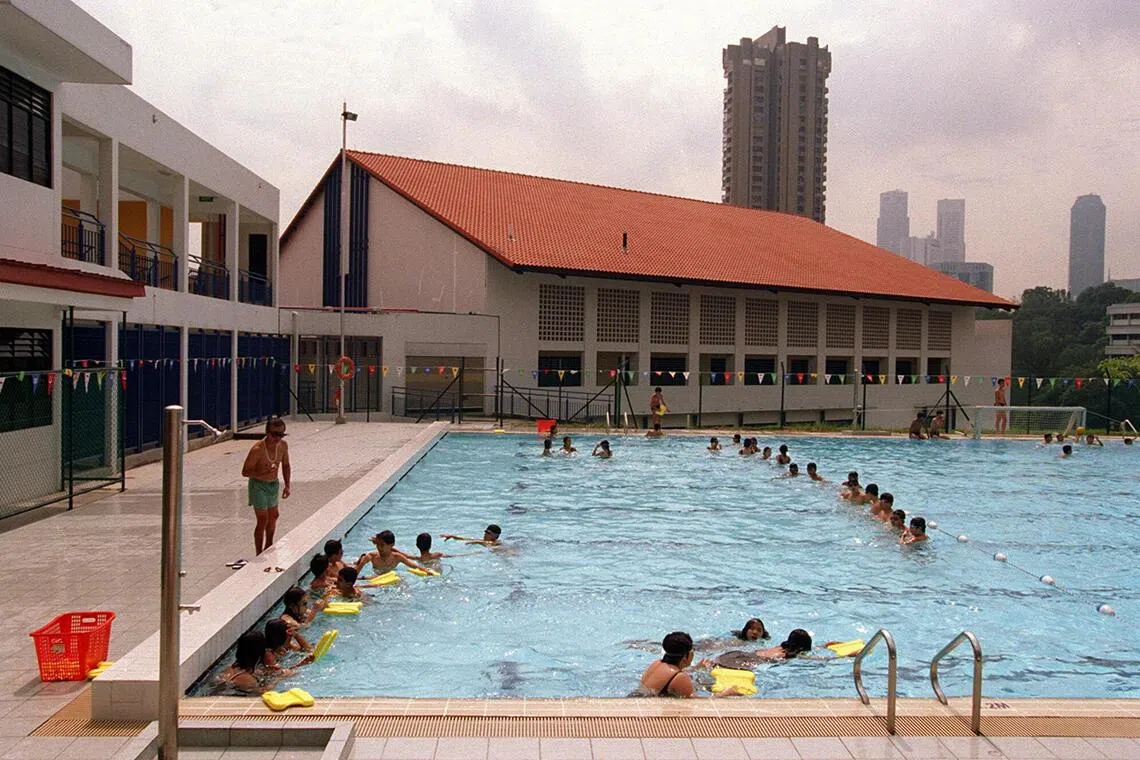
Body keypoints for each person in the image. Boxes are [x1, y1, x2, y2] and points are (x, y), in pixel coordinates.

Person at [241, 417, 291, 555]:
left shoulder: (283, 446)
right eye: (274, 434)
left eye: (281, 434)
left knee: (274, 516)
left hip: (273, 485)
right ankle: (258, 551)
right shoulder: (257, 449)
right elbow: (245, 471)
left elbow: (286, 465)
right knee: (262, 520)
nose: (277, 438)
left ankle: (268, 544)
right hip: (259, 486)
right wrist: (260, 474)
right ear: (267, 432)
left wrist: (287, 485)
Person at [711, 629, 813, 668]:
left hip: (740, 654)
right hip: (749, 661)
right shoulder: (789, 655)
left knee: (715, 663)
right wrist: (827, 659)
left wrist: (823, 646)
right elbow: (810, 658)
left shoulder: (780, 647)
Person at [214, 630, 268, 695]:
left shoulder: (229, 669)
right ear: (258, 653)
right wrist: (279, 678)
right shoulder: (248, 679)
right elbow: (263, 693)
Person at [357, 530, 430, 576]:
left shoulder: (397, 557)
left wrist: (426, 570)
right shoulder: (371, 556)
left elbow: (414, 566)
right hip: (376, 577)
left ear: (391, 545)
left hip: (390, 577)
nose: (379, 548)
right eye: (377, 545)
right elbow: (356, 572)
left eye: (382, 545)